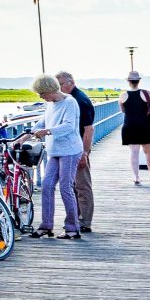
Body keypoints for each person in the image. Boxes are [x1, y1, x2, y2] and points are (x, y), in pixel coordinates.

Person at [28, 74, 82, 239]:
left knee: (66, 187)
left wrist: (47, 132)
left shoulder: (70, 102)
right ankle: (46, 225)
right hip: (55, 151)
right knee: (47, 185)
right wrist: (25, 135)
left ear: (50, 90)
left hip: (70, 150)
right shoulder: (50, 104)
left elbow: (68, 126)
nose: (40, 96)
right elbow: (43, 122)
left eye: (42, 93)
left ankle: (72, 228)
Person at [59, 71, 96, 232]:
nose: (58, 89)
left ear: (70, 83)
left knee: (82, 185)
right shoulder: (71, 99)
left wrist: (84, 153)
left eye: (59, 85)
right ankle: (77, 218)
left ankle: (85, 221)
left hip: (79, 149)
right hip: (74, 148)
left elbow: (89, 129)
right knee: (75, 185)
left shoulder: (79, 100)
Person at [119, 72, 150, 184]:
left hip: (130, 126)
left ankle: (136, 177)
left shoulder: (123, 95)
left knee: (134, 152)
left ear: (128, 81)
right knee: (148, 151)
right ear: (139, 81)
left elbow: (123, 110)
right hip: (145, 126)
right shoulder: (146, 93)